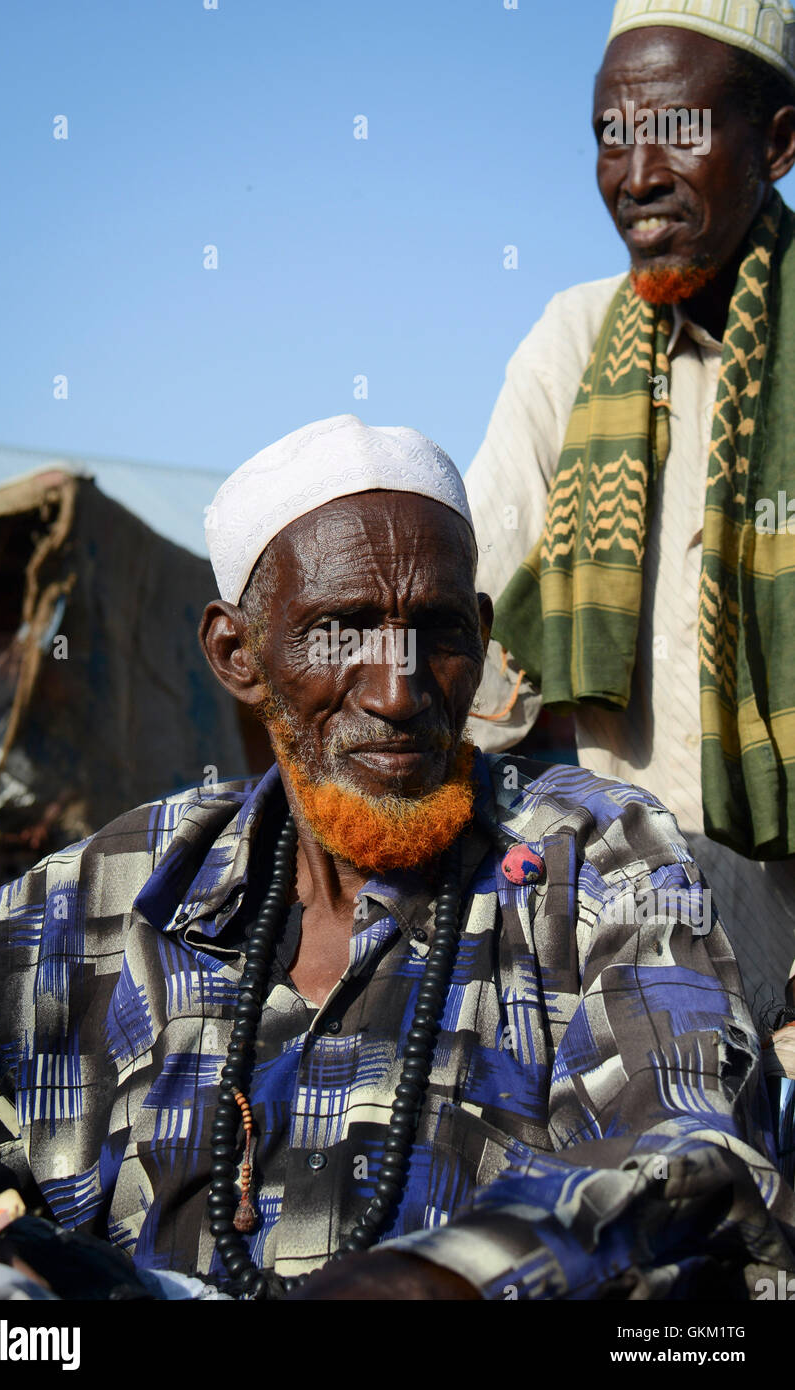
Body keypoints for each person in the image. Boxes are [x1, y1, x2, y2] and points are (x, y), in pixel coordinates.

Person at [0, 414, 793, 1301]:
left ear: (482, 634)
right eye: (341, 632)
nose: (398, 689)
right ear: (237, 653)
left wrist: (436, 1282)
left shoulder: (592, 861)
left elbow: (692, 1158)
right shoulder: (112, 894)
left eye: (440, 630)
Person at [465, 0, 795, 1021]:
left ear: (777, 144)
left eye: (680, 132)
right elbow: (466, 604)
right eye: (612, 134)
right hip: (632, 894)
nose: (636, 173)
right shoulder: (572, 344)